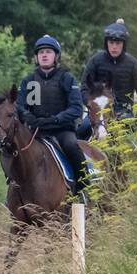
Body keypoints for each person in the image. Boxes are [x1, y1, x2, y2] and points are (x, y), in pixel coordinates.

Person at [16, 35, 89, 196]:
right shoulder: (29, 81)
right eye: (41, 52)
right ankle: (14, 190)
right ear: (36, 57)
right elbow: (20, 106)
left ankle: (84, 186)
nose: (44, 55)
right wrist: (29, 117)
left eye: (48, 52)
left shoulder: (67, 78)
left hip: (62, 131)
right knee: (16, 150)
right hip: (37, 132)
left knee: (72, 145)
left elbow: (76, 108)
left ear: (56, 56)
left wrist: (56, 119)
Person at [79, 19, 137, 137]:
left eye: (118, 43)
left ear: (124, 44)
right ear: (106, 43)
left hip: (124, 113)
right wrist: (91, 104)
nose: (114, 47)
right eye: (111, 43)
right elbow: (84, 87)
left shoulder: (132, 64)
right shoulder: (95, 60)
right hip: (98, 112)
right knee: (80, 132)